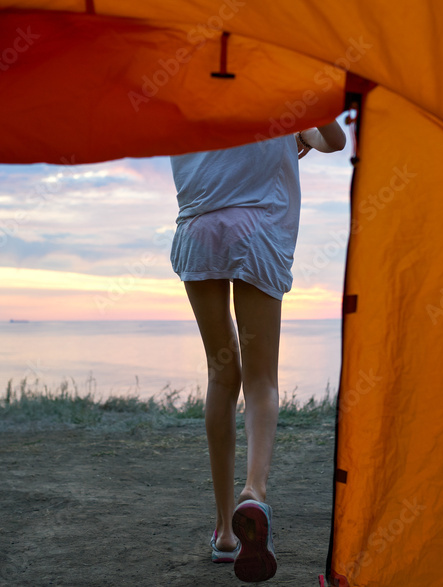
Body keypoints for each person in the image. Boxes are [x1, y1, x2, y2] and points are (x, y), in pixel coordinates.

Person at [169, 121, 346, 582]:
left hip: (199, 230)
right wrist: (306, 116)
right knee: (261, 379)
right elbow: (336, 141)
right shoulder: (283, 99)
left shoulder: (183, 98)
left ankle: (227, 533)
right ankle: (255, 491)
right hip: (258, 231)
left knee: (220, 374)